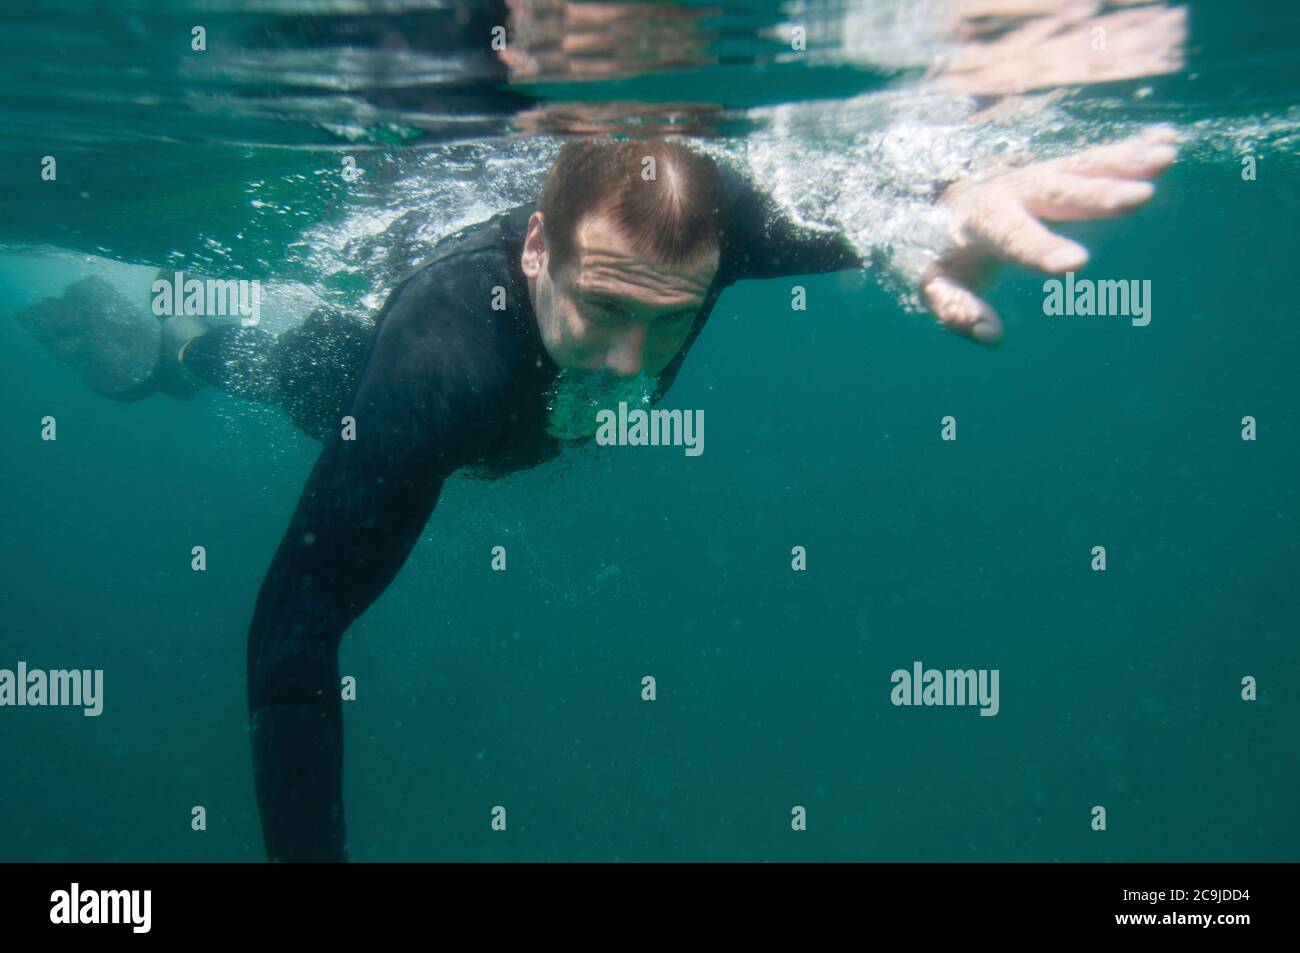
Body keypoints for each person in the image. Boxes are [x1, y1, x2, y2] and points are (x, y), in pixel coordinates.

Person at [19, 132, 1176, 860]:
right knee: (302, 372)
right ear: (536, 249)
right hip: (418, 381)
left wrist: (959, 189)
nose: (634, 358)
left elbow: (892, 196)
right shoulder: (432, 374)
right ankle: (182, 340)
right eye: (604, 308)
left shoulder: (732, 226)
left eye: (669, 315)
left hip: (524, 416)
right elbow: (291, 630)